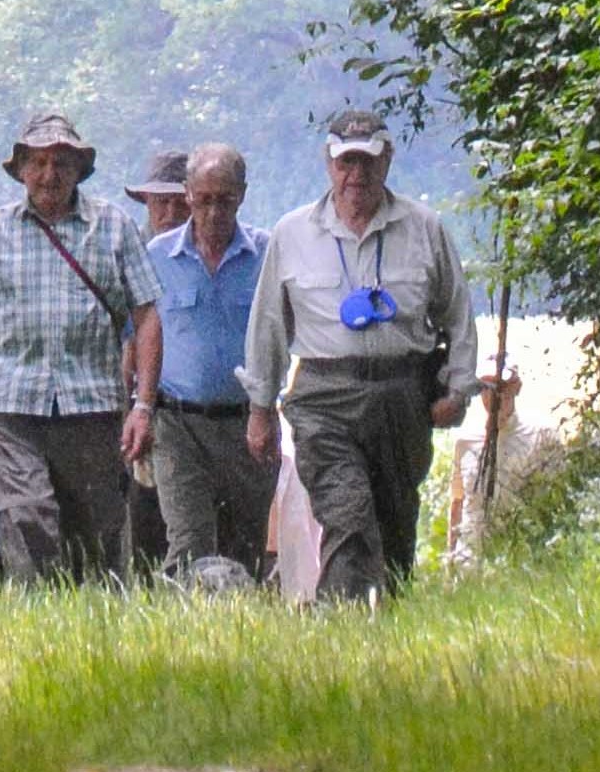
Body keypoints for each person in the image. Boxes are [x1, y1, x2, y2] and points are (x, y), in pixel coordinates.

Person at [242, 108, 477, 602]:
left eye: (367, 161)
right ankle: (341, 622)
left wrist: (457, 389)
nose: (356, 174)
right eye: (346, 162)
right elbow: (268, 327)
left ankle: (389, 621)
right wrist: (260, 410)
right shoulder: (293, 233)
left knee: (394, 523)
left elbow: (457, 315)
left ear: (387, 160)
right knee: (347, 512)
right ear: (328, 163)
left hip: (402, 394)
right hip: (324, 397)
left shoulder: (424, 227)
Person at [0, 110, 163, 584]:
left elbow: (146, 318)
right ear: (21, 169)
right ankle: (35, 615)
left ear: (79, 169)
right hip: (15, 408)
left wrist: (143, 406)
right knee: (27, 517)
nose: (49, 174)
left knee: (97, 539)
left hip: (94, 408)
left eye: (61, 162)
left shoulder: (114, 227)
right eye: (38, 162)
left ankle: (94, 621)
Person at [144, 141, 274, 578]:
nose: (214, 212)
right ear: (188, 195)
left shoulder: (267, 255)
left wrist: (267, 410)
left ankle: (240, 617)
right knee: (189, 542)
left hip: (247, 423)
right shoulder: (157, 257)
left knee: (245, 546)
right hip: (177, 424)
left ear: (242, 195)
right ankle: (183, 615)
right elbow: (137, 339)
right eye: (203, 200)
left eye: (225, 200)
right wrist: (137, 411)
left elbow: (285, 335)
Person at [120, 147, 188, 573]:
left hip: (191, 402)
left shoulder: (202, 252)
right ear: (146, 202)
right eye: (160, 202)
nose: (169, 212)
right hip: (145, 403)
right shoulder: (133, 255)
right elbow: (125, 337)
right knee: (142, 504)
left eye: (179, 202)